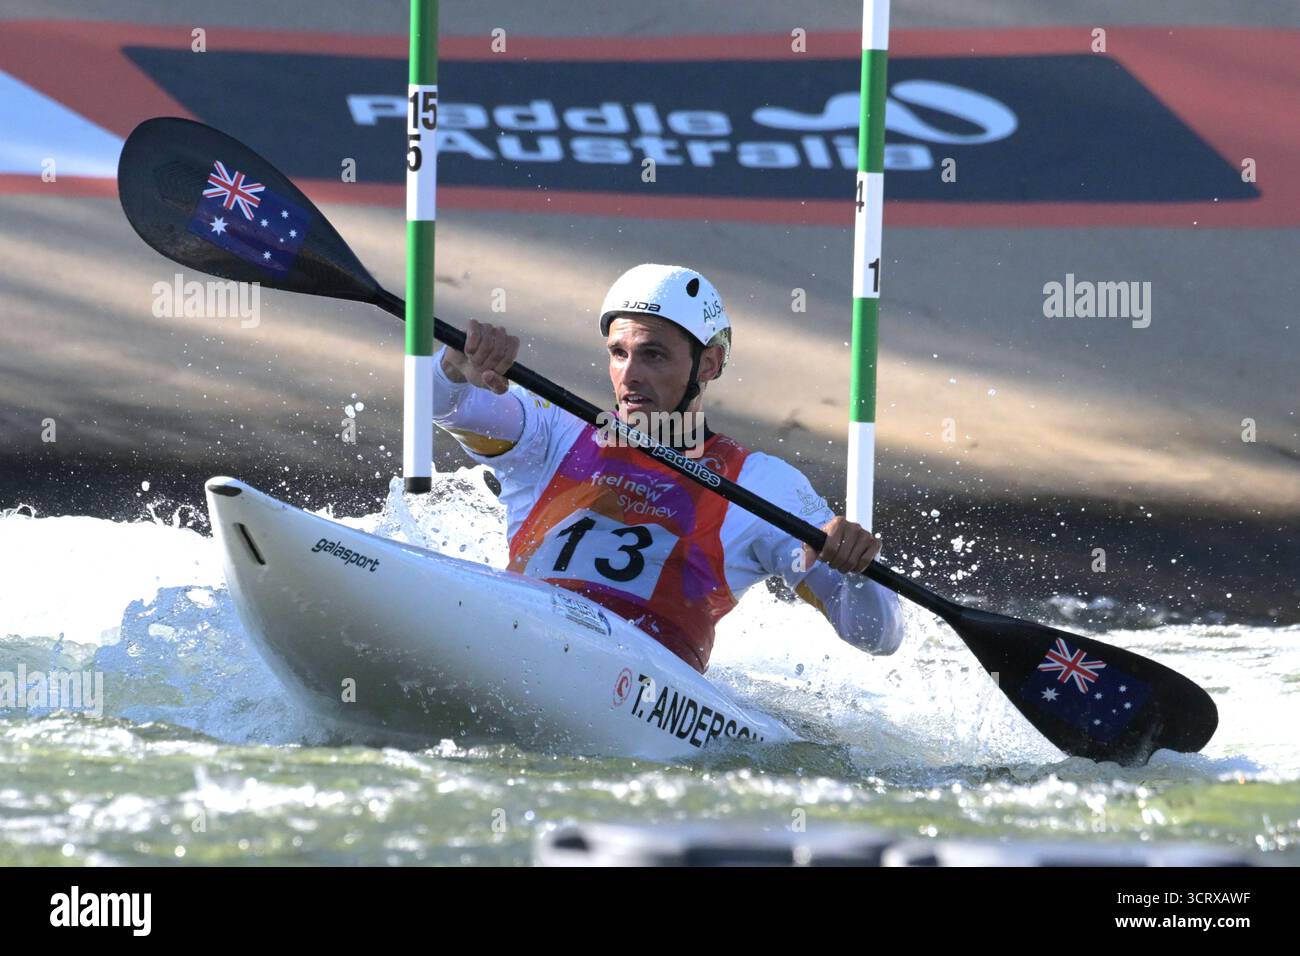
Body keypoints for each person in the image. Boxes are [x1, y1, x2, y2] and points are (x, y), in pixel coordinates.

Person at [432, 263, 903, 673]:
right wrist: (453, 369)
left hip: (647, 681)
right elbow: (441, 406)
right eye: (619, 353)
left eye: (653, 354)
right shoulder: (551, 430)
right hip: (520, 637)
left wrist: (860, 569)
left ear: (709, 364)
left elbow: (875, 637)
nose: (629, 374)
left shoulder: (761, 486)